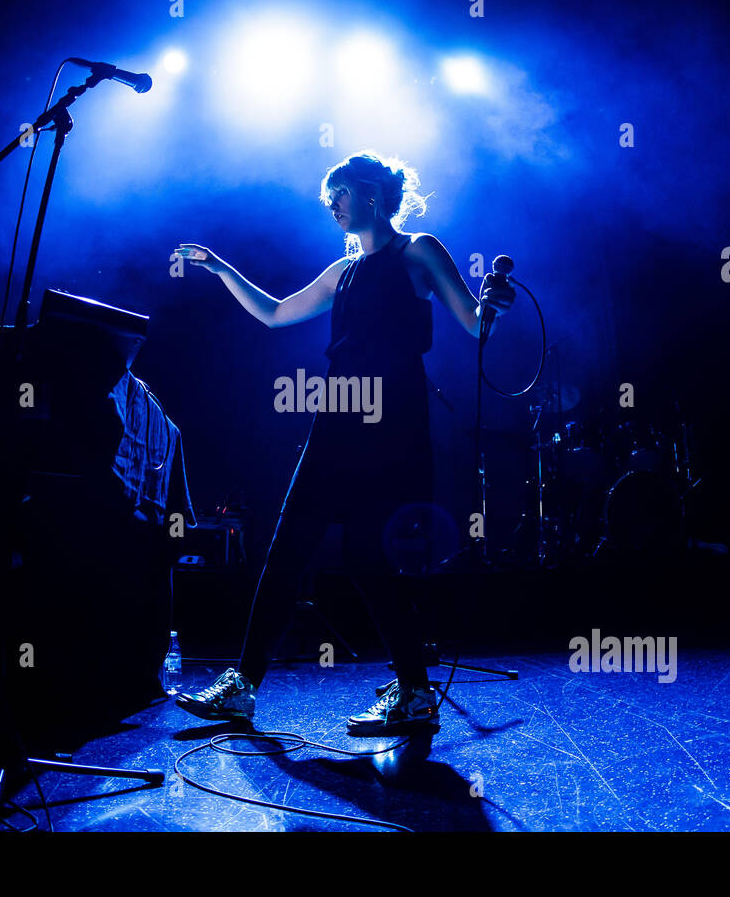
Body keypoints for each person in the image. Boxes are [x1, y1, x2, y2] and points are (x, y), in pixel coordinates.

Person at [171, 151, 514, 734]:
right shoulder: (342, 271)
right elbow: (277, 314)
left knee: (366, 558)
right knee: (285, 550)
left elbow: (476, 325)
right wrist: (223, 269)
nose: (331, 206)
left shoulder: (419, 251)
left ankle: (413, 693)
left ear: (370, 196)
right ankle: (243, 688)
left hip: (392, 423)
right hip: (335, 418)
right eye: (329, 197)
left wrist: (495, 305)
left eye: (339, 194)